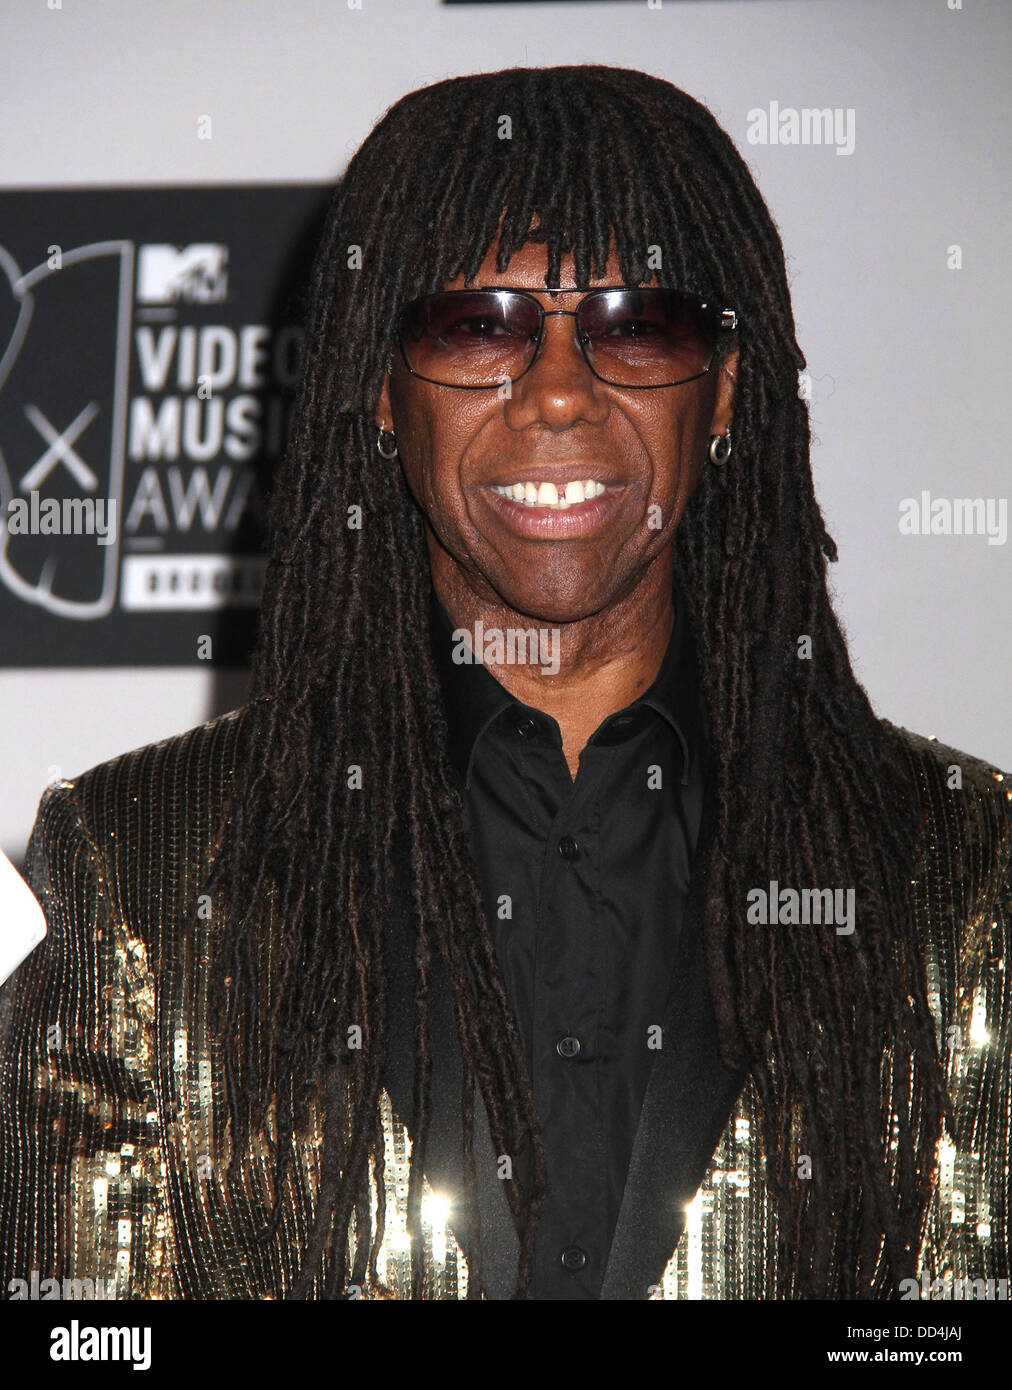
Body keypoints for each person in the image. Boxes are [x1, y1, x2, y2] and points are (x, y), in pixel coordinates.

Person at [1, 64, 1008, 1303]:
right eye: (477, 324)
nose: (560, 391)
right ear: (379, 388)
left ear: (726, 392)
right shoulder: (142, 864)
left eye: (638, 323)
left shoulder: (959, 870)